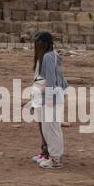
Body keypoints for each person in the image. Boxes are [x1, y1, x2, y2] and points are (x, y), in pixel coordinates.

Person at [31, 31, 68, 170]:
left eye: (38, 44)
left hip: (50, 98)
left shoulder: (48, 57)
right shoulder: (53, 56)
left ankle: (55, 160)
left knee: (51, 129)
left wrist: (49, 99)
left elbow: (52, 81)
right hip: (51, 96)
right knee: (50, 128)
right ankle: (51, 156)